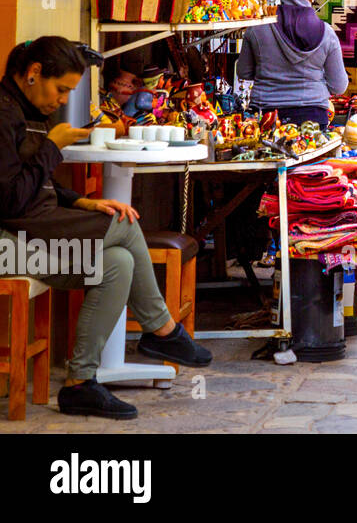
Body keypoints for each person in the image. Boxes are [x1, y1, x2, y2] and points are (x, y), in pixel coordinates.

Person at [0, 37, 212, 420]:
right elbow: (9, 199)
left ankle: (80, 384)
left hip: (33, 231)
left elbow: (36, 184)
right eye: (61, 88)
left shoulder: (30, 110)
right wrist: (51, 146)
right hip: (9, 243)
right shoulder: (2, 114)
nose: (63, 100)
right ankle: (162, 330)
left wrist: (82, 201)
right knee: (123, 224)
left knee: (117, 262)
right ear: (33, 74)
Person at [237, 0, 347, 129]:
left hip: (265, 116)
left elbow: (243, 72)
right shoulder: (327, 34)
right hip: (312, 118)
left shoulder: (257, 28)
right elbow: (339, 86)